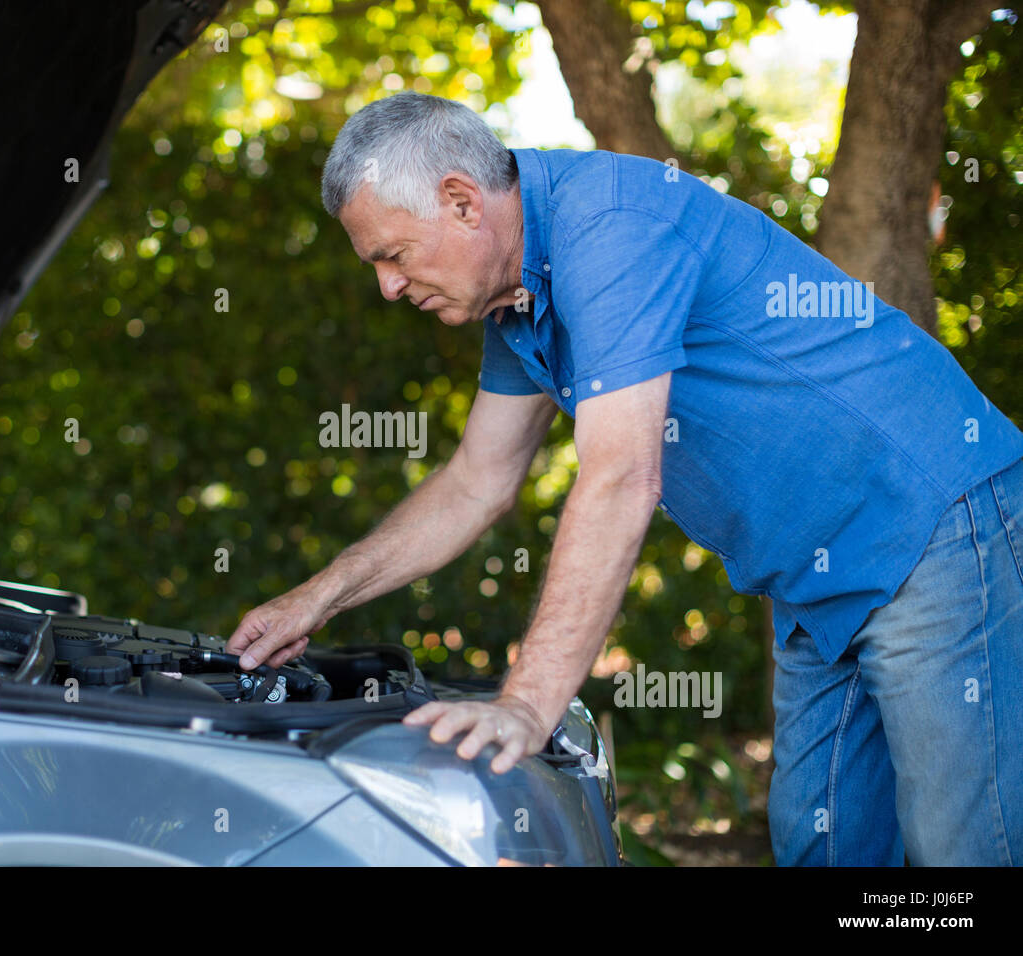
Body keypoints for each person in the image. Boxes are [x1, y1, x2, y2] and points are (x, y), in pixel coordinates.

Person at [226, 92, 1023, 866]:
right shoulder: (518, 302)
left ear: (463, 201)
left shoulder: (610, 231)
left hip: (934, 529)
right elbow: (477, 480)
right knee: (822, 847)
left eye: (392, 256)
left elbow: (619, 476)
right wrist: (316, 597)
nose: (388, 287)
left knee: (963, 849)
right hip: (815, 581)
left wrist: (528, 705)